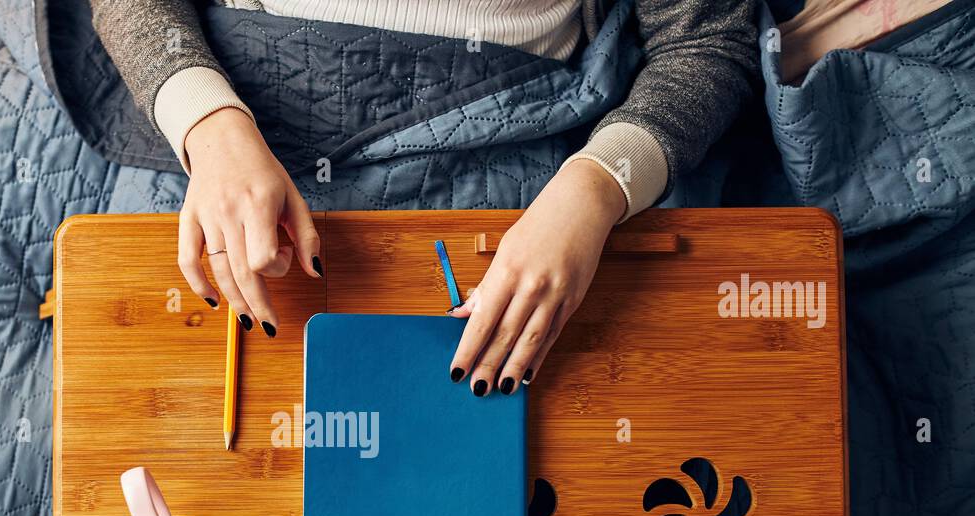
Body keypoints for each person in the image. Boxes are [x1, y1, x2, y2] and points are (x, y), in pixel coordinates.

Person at [89, 0, 759, 395]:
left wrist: (595, 191)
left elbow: (705, 40)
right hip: (236, 125)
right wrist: (208, 127)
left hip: (524, 149)